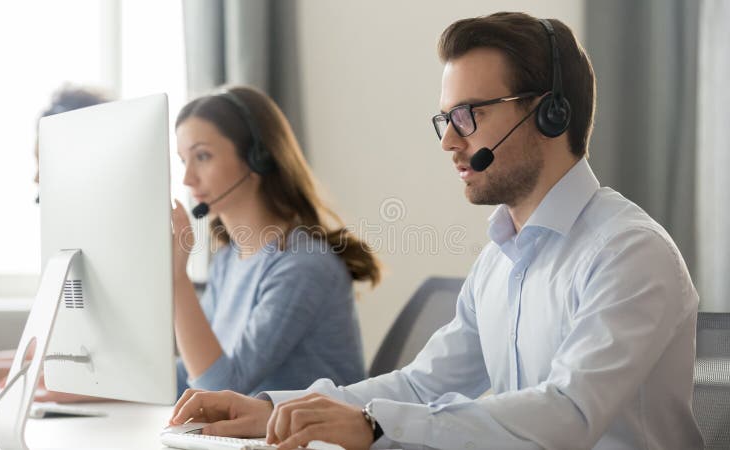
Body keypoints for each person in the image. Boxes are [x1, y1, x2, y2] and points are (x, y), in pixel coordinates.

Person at [167, 12, 704, 450]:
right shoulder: (500, 259)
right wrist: (273, 409)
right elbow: (423, 383)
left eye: (468, 115)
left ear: (550, 115)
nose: (449, 141)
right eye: (445, 119)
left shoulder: (630, 252)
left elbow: (568, 413)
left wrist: (378, 426)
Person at [171, 85, 379, 397]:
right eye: (183, 160)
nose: (187, 178)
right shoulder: (230, 259)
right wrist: (89, 390)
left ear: (258, 158)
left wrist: (176, 279)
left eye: (202, 156)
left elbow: (222, 389)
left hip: (310, 444)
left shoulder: (302, 266)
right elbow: (192, 371)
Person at [0, 85, 111, 403]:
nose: (37, 178)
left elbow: (118, 364)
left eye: (44, 162)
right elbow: (58, 350)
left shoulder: (124, 244)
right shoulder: (76, 240)